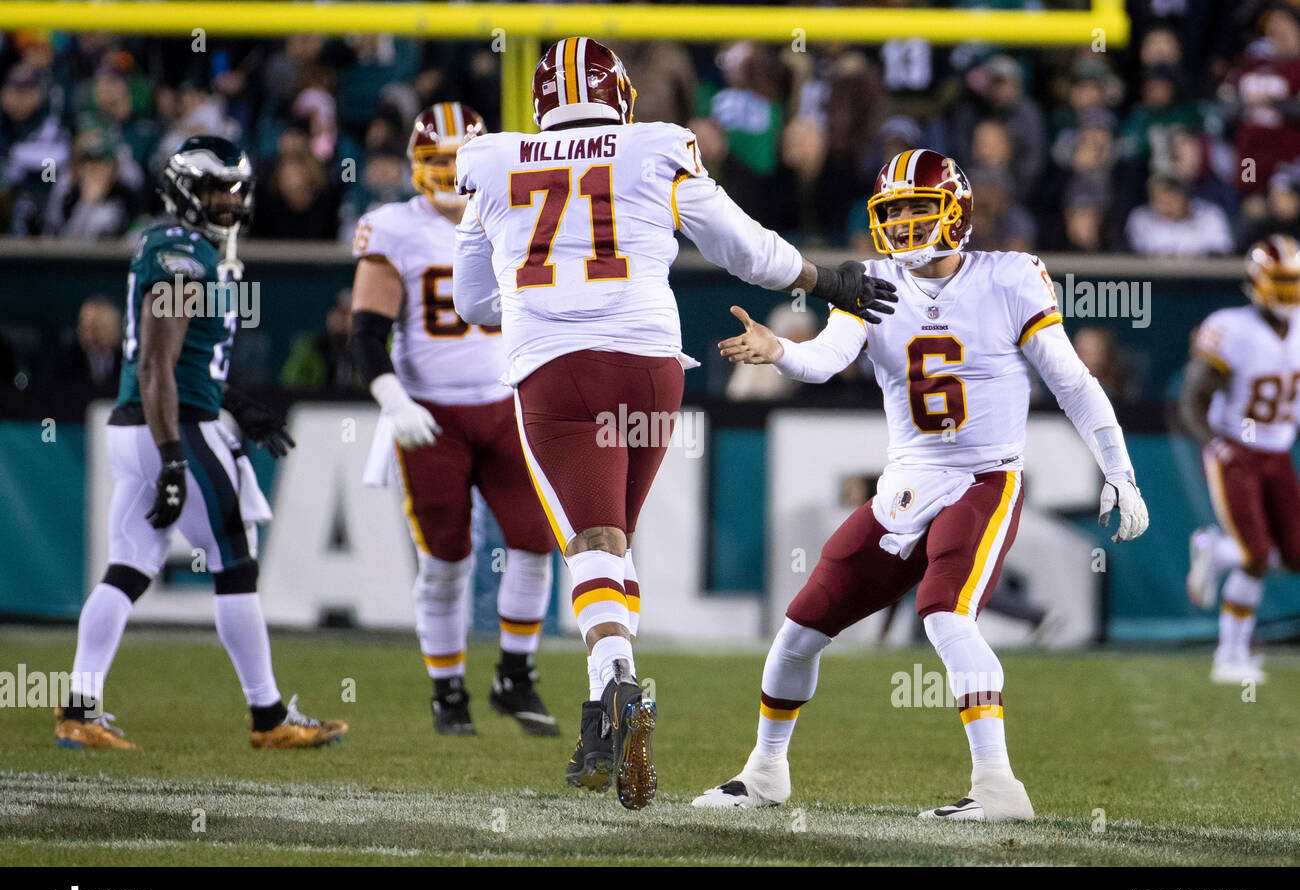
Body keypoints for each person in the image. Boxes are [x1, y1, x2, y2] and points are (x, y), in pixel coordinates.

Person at [451, 37, 896, 810]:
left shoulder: (490, 160)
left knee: (590, 546)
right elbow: (745, 249)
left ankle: (615, 689)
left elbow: (472, 303)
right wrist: (826, 279)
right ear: (619, 96)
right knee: (613, 542)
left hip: (554, 366)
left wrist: (529, 262)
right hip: (649, 367)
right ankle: (603, 709)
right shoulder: (658, 146)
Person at [695, 149, 1149, 820]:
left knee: (944, 609)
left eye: (918, 208)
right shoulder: (870, 281)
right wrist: (782, 352)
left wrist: (1120, 470)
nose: (905, 224)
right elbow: (825, 360)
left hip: (983, 477)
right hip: (906, 483)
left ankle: (999, 787)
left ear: (957, 211)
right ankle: (765, 770)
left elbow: (1073, 382)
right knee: (802, 624)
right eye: (894, 212)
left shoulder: (1010, 277)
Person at [56, 135, 346, 751]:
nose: (230, 201)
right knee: (235, 564)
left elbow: (188, 361)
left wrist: (239, 404)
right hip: (174, 426)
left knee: (127, 569)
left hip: (146, 424)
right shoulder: (180, 253)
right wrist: (171, 457)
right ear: (187, 188)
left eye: (235, 189)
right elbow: (158, 364)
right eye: (217, 189)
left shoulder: (181, 249)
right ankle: (268, 717)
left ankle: (79, 710)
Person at [349, 104, 560, 738]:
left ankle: (514, 677)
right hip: (430, 414)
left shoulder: (517, 212)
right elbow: (363, 334)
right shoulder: (394, 229)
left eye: (457, 160)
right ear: (418, 166)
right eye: (436, 161)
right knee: (445, 559)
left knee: (534, 540)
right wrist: (394, 399)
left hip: (506, 403)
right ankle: (447, 691)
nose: (447, 173)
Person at [1183, 235, 1300, 685]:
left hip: (1278, 450)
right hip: (1237, 450)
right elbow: (1193, 399)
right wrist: (1215, 443)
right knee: (1255, 554)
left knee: (1291, 555)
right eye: (1281, 283)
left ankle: (1212, 549)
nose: (1289, 294)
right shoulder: (1233, 329)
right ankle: (1229, 656)